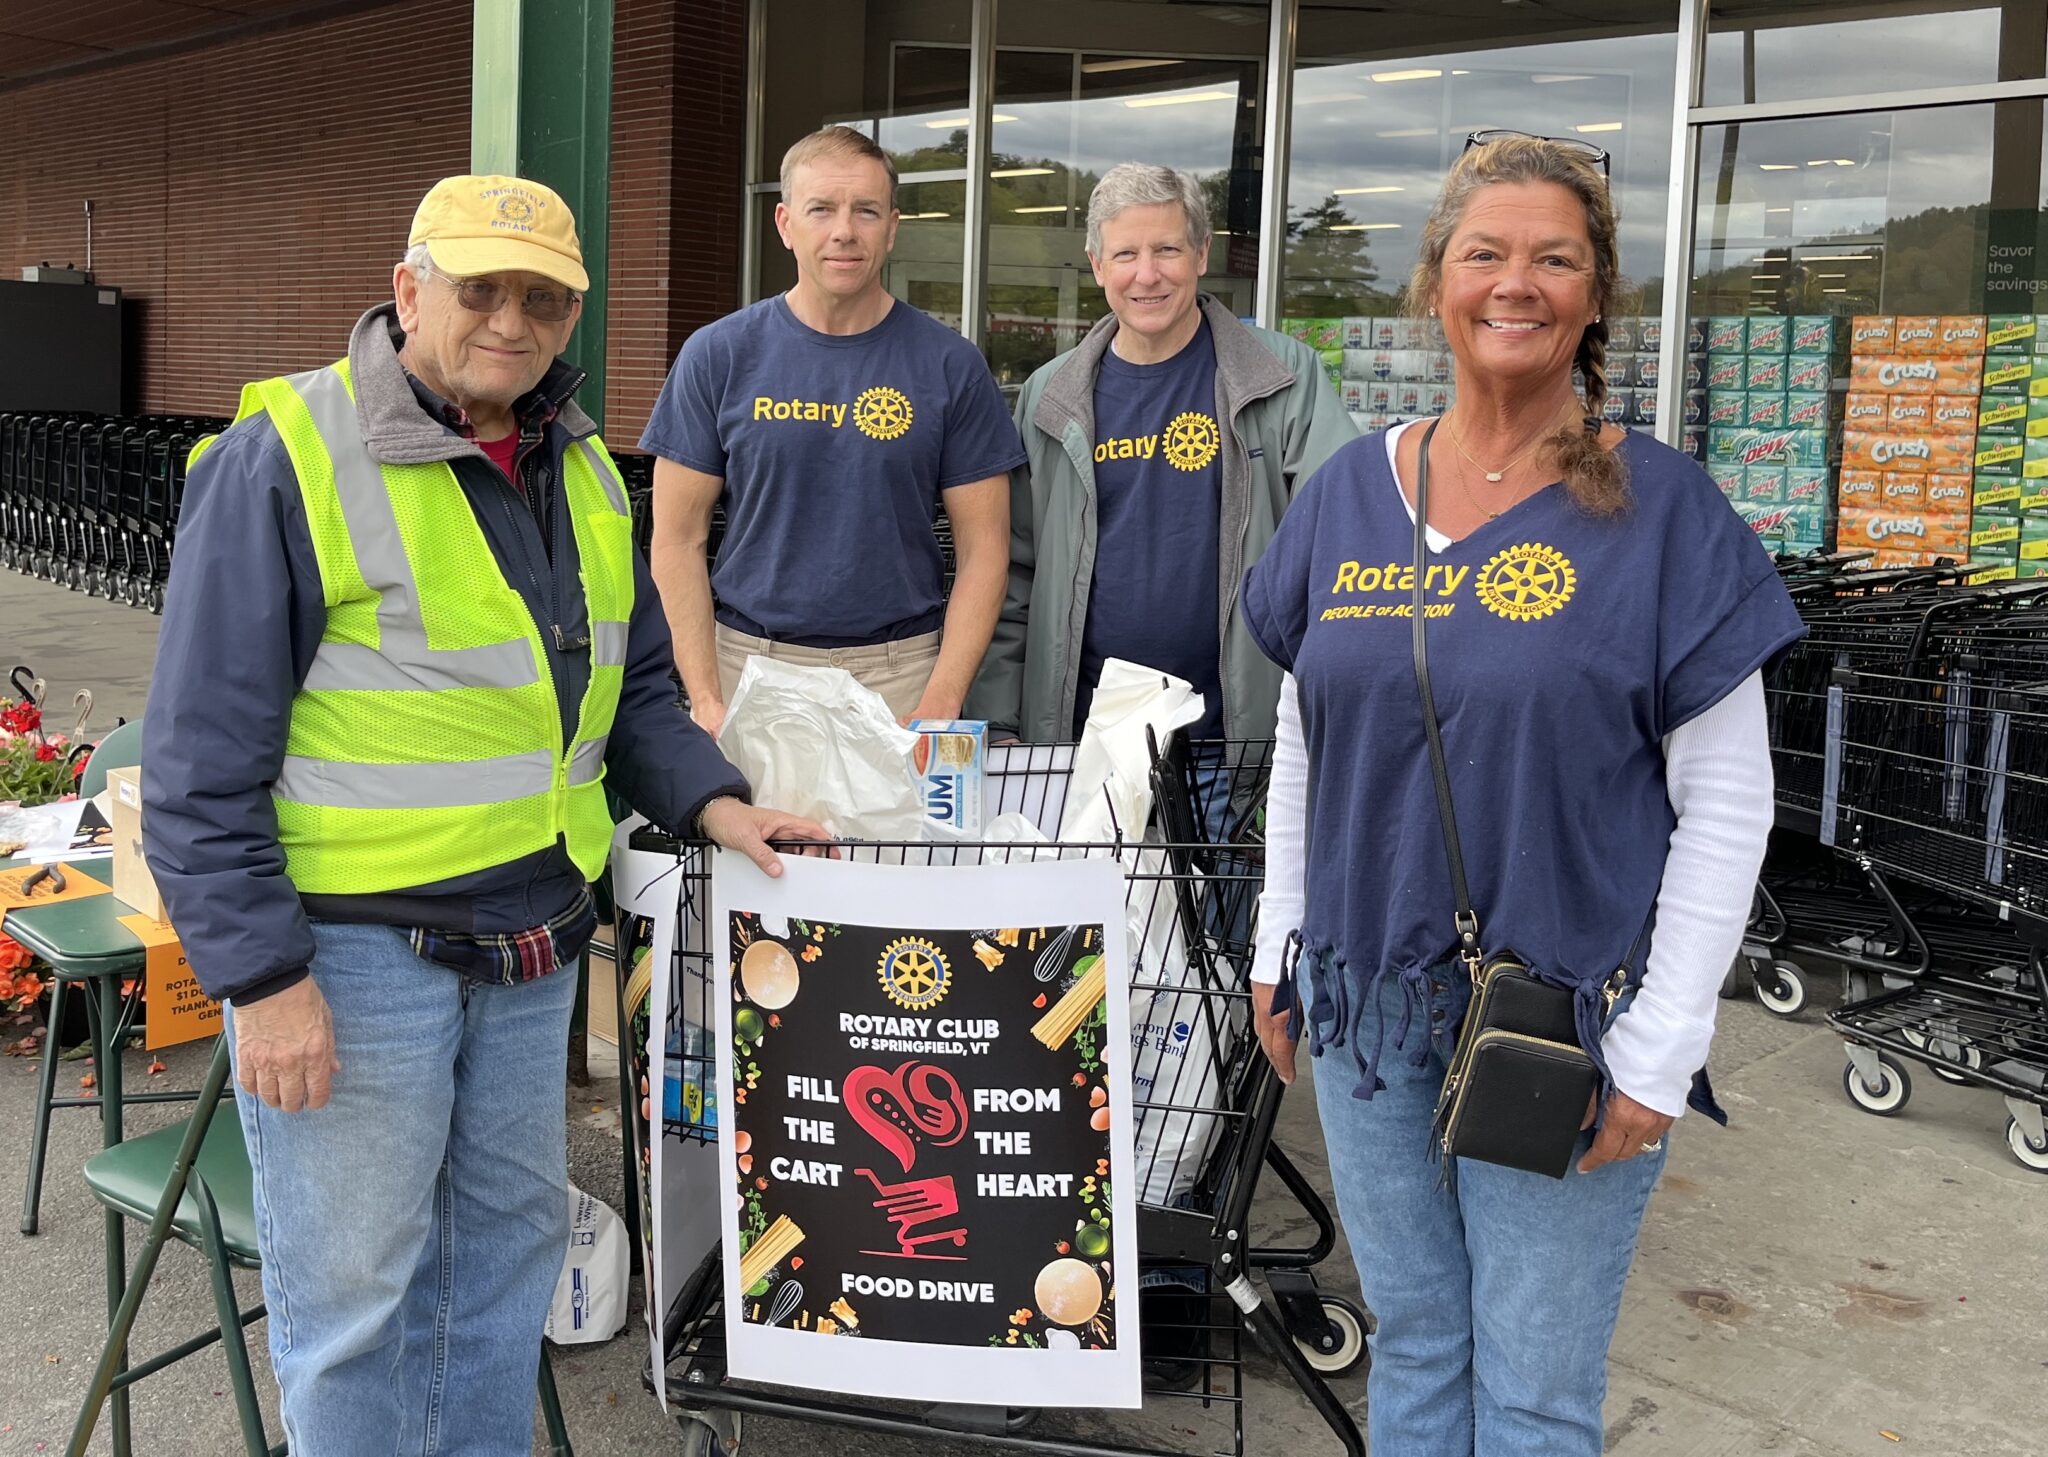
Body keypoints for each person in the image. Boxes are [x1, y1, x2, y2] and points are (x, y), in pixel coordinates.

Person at [141, 174, 830, 1454]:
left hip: (529, 948)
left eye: (544, 298)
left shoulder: (579, 468)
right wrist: (261, 980)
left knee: (500, 1271)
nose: (511, 319)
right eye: (480, 288)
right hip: (351, 961)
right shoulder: (289, 455)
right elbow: (194, 764)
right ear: (410, 290)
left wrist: (721, 801)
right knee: (355, 1302)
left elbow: (620, 703)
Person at [1240, 134, 1805, 1455]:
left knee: (1538, 1394)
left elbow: (1730, 805)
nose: (1517, 282)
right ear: (1436, 280)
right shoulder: (1344, 498)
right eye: (1485, 253)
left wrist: (1661, 1048)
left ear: (1596, 295)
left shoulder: (1663, 513)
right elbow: (1305, 741)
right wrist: (1280, 946)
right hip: (1370, 1003)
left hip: (1572, 1015)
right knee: (1421, 1346)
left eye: (1555, 258)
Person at [641, 124, 1023, 732]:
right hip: (749, 671)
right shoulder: (719, 355)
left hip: (902, 677)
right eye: (822, 209)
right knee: (749, 834)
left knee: (893, 836)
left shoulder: (951, 364)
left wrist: (942, 699)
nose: (844, 230)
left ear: (892, 228)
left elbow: (985, 551)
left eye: (866, 211)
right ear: (786, 223)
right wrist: (707, 698)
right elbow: (675, 542)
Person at [965, 163, 1355, 751]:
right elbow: (1014, 572)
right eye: (1125, 254)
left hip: (1234, 747)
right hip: (1081, 745)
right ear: (1097, 265)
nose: (1146, 275)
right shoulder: (1050, 397)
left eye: (1167, 249)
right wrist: (998, 720)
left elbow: (1341, 547)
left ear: (1201, 253)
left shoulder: (1282, 377)